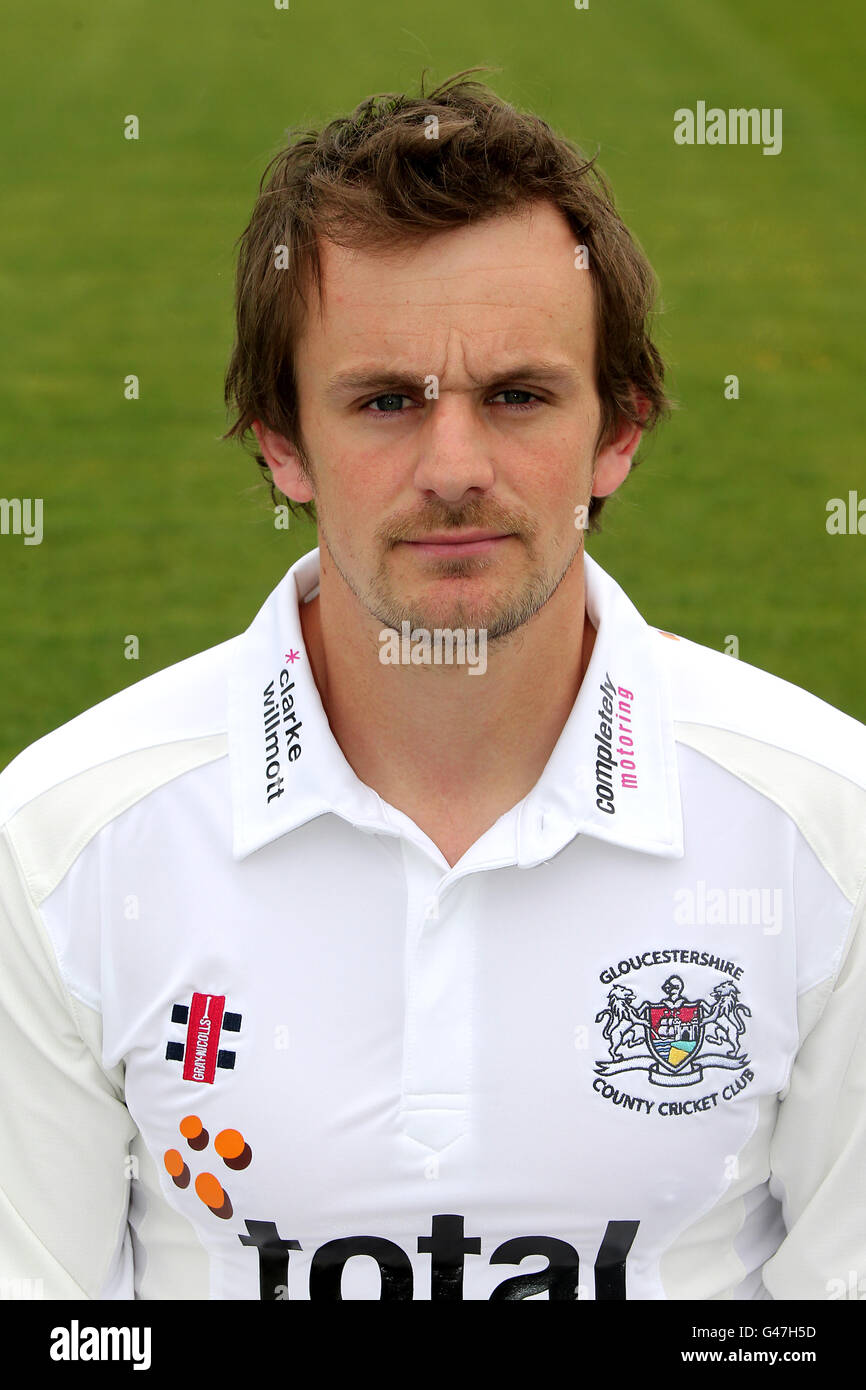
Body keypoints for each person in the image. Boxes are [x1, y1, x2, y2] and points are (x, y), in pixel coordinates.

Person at [0, 68, 863, 1303]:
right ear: (282, 441)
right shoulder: (57, 843)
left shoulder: (827, 825)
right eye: (385, 402)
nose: (453, 467)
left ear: (617, 429)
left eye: (516, 396)